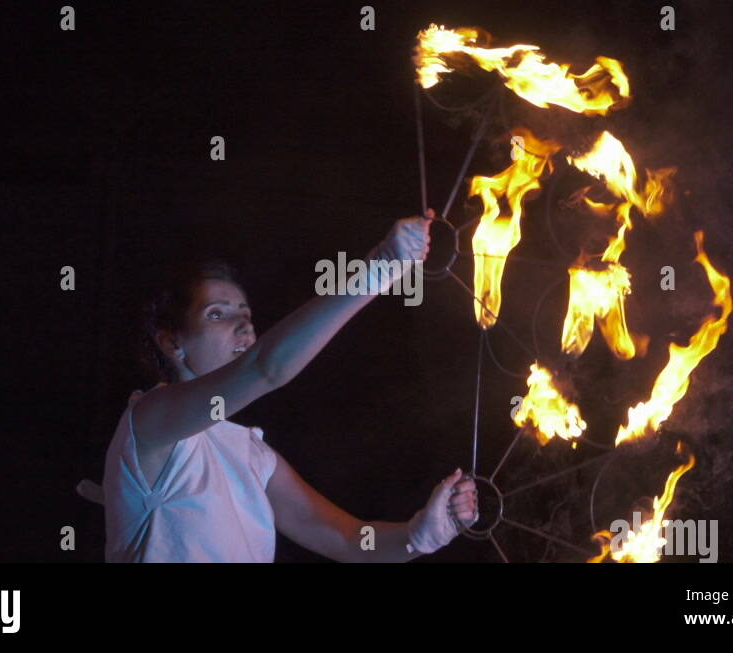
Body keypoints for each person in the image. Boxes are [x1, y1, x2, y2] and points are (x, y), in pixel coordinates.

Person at [82, 210, 479, 562]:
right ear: (171, 342)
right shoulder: (150, 423)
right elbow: (266, 368)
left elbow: (351, 542)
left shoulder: (253, 454)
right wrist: (379, 267)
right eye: (216, 314)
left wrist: (419, 535)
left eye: (245, 312)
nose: (243, 324)